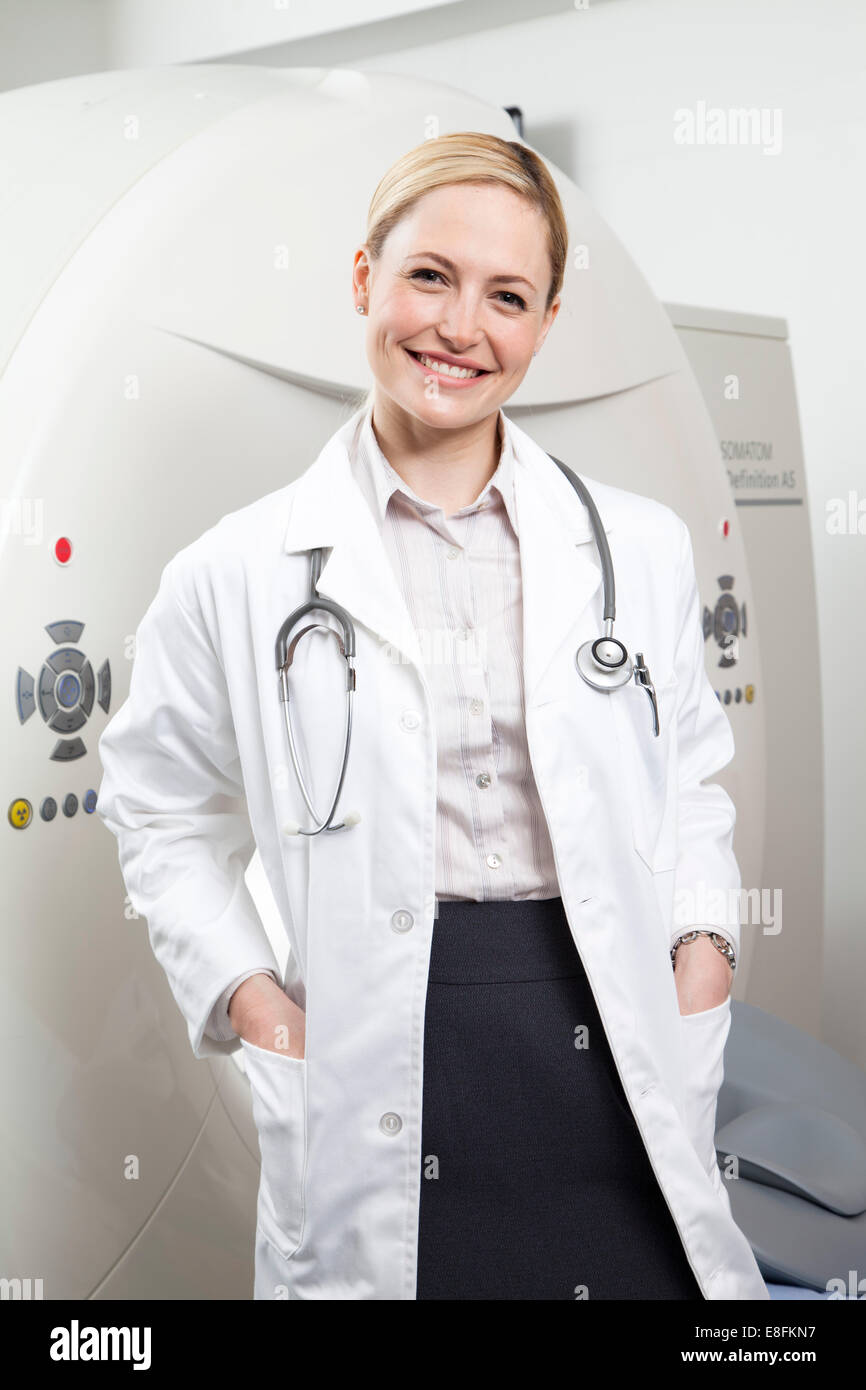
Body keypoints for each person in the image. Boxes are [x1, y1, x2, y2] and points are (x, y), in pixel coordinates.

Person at [97, 131, 769, 1300]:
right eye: (428, 277)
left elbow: (691, 783)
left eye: (506, 296)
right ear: (364, 278)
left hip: (607, 1022)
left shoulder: (637, 549)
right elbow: (155, 811)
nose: (461, 328)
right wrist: (255, 1001)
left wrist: (699, 955)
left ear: (545, 322)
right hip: (376, 1044)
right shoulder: (237, 569)